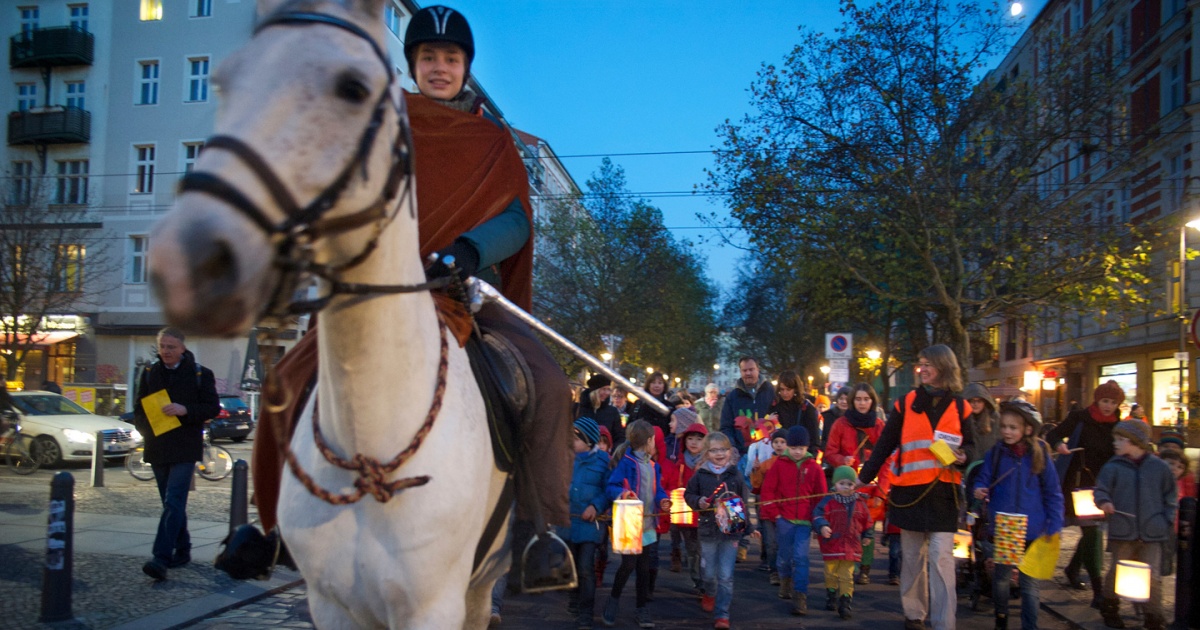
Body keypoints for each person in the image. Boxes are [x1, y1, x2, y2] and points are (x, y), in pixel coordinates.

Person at [240, 5, 575, 590]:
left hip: (462, 291)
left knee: (545, 382)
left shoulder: (495, 142)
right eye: (428, 57)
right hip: (376, 290)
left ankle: (537, 531)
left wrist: (470, 250)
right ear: (413, 63)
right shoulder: (378, 124)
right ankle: (270, 524)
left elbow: (517, 219)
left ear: (465, 66)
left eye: (450, 58)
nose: (439, 68)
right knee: (287, 382)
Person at [856, 344, 974, 630]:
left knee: (942, 560)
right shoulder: (905, 403)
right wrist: (864, 477)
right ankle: (914, 614)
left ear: (944, 367)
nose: (921, 369)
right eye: (920, 363)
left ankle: (944, 622)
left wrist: (964, 456)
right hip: (908, 493)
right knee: (911, 559)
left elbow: (971, 445)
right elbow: (885, 444)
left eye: (927, 364)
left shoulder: (961, 405)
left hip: (944, 495)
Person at [133, 328, 220, 581]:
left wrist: (185, 410)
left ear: (183, 348)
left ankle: (160, 558)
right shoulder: (150, 372)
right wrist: (145, 429)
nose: (166, 351)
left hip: (185, 446)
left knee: (173, 500)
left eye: (171, 347)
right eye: (162, 346)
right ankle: (183, 550)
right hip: (157, 446)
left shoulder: (200, 374)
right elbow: (139, 407)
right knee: (171, 505)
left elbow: (212, 407)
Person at [972, 400, 1064, 630]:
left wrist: (1055, 524)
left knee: (1029, 585)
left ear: (1028, 429)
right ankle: (1001, 618)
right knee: (1002, 579)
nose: (1006, 431)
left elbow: (1053, 492)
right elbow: (984, 477)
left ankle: (1029, 626)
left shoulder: (1040, 453)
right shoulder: (996, 453)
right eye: (1003, 426)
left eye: (1013, 427)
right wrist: (979, 488)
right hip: (1006, 525)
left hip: (1034, 528)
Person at [1044, 380, 1124, 605]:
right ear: (1097, 400)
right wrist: (1060, 445)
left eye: (1113, 402)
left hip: (1105, 486)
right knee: (1092, 531)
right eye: (1105, 400)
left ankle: (1073, 568)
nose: (1108, 406)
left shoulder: (1119, 424)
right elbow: (1054, 435)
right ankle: (1098, 590)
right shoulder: (1080, 417)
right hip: (1080, 484)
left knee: (1092, 530)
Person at [1093, 418, 1177, 630]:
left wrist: (1165, 519)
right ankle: (1110, 608)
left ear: (1136, 442)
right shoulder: (1113, 466)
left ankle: (1153, 616)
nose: (1116, 443)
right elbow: (1100, 489)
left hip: (1152, 533)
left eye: (1121, 440)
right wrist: (1104, 501)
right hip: (1123, 531)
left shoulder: (1159, 467)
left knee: (1153, 577)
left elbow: (1170, 496)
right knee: (1117, 572)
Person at [685, 431, 757, 630]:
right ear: (706, 452)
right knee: (708, 573)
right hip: (708, 531)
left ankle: (722, 614)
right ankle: (710, 591)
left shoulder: (735, 475)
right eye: (714, 450)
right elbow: (689, 495)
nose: (719, 454)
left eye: (723, 449)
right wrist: (698, 501)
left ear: (730, 451)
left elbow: (744, 503)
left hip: (731, 531)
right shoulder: (700, 474)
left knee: (726, 575)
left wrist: (749, 528)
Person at [603, 420, 669, 629]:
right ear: (649, 441)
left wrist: (663, 500)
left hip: (648, 524)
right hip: (629, 523)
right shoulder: (627, 462)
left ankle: (642, 608)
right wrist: (622, 493)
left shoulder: (653, 466)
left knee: (643, 567)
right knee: (628, 564)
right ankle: (613, 600)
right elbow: (612, 486)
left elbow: (657, 489)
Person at [823, 382, 890, 585]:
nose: (862, 403)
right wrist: (841, 460)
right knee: (848, 526)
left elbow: (887, 461)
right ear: (853, 401)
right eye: (859, 399)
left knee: (867, 527)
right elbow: (829, 452)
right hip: (847, 485)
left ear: (872, 401)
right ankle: (846, 564)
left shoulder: (879, 426)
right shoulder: (841, 424)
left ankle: (865, 568)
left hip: (872, 487)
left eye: (866, 399)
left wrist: (881, 493)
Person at [760, 425, 827, 615]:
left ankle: (800, 595)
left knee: (801, 558)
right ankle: (785, 580)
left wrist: (817, 518)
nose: (798, 452)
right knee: (784, 558)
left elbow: (820, 496)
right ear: (789, 447)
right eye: (794, 448)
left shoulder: (814, 468)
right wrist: (777, 515)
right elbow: (768, 492)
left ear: (807, 448)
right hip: (785, 520)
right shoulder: (779, 465)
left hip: (805, 522)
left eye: (802, 448)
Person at [560, 417, 611, 630]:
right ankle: (574, 597)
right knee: (570, 566)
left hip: (590, 524)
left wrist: (596, 506)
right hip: (567, 521)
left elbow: (608, 489)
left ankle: (585, 613)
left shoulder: (603, 461)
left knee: (586, 568)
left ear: (588, 441)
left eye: (575, 437)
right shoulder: (564, 457)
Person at [813, 465, 874, 620]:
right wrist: (822, 526)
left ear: (854, 486)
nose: (846, 487)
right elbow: (818, 515)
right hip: (831, 544)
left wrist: (868, 534)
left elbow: (867, 520)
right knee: (831, 573)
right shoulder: (828, 501)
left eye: (849, 484)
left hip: (851, 545)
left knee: (847, 575)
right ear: (835, 484)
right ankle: (831, 594)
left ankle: (845, 601)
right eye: (842, 483)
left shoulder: (860, 503)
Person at [662, 421, 708, 595]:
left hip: (704, 514)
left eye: (698, 439)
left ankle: (705, 581)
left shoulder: (709, 464)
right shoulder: (679, 465)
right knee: (692, 550)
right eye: (690, 438)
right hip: (684, 514)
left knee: (702, 550)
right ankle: (699, 581)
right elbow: (670, 485)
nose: (694, 442)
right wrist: (670, 495)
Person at [750, 428, 788, 585]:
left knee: (784, 542)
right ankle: (773, 570)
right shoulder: (766, 464)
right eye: (776, 442)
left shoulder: (793, 465)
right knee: (771, 543)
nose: (779, 445)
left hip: (786, 509)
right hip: (768, 508)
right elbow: (756, 485)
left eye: (783, 442)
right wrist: (755, 470)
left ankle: (784, 570)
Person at [719, 357, 775, 457]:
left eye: (751, 369)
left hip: (769, 452)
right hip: (742, 454)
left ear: (758, 369)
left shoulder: (771, 392)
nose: (748, 373)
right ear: (740, 372)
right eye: (744, 370)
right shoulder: (732, 397)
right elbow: (726, 426)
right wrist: (732, 447)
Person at [767, 370, 820, 450]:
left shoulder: (806, 408)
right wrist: (768, 422)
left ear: (795, 389)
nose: (785, 393)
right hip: (779, 453)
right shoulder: (774, 406)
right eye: (782, 389)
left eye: (788, 390)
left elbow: (814, 438)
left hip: (800, 454)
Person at [962, 382, 1000, 464]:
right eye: (972, 401)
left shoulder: (994, 419)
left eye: (979, 401)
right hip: (966, 467)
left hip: (989, 466)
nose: (975, 404)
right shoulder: (961, 419)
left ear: (985, 402)